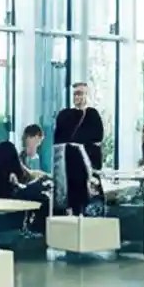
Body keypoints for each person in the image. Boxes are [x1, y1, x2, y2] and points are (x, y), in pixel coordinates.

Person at [0, 126, 52, 231]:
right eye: (38, 142)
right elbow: (25, 175)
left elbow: (24, 175)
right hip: (8, 196)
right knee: (43, 195)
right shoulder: (9, 150)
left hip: (4, 193)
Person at [52, 82, 105, 215]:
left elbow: (97, 137)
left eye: (81, 93)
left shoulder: (92, 115)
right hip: (68, 163)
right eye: (76, 94)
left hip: (86, 162)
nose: (78, 97)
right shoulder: (64, 115)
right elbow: (59, 139)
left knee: (85, 197)